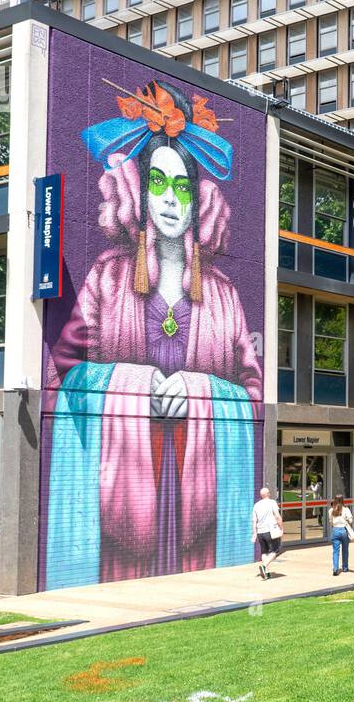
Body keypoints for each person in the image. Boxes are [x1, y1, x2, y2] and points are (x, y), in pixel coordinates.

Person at [44, 78, 262, 588]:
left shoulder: (226, 293)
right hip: (120, 509)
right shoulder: (105, 276)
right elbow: (60, 377)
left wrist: (200, 392)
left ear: (197, 199)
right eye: (158, 184)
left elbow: (254, 397)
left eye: (181, 186)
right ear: (138, 194)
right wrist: (133, 384)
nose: (170, 200)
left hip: (198, 508)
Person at [252, 486, 283, 580]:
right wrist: (281, 528)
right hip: (270, 531)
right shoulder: (272, 502)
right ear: (268, 494)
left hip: (260, 532)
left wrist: (254, 533)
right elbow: (277, 516)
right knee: (275, 550)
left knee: (264, 552)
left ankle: (267, 573)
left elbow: (254, 521)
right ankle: (264, 566)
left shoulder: (256, 505)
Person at [330, 497, 354, 576]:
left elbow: (331, 522)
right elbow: (351, 520)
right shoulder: (346, 509)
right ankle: (345, 567)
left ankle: (335, 568)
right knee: (345, 550)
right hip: (344, 530)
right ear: (343, 500)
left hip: (335, 530)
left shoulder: (331, 510)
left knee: (335, 551)